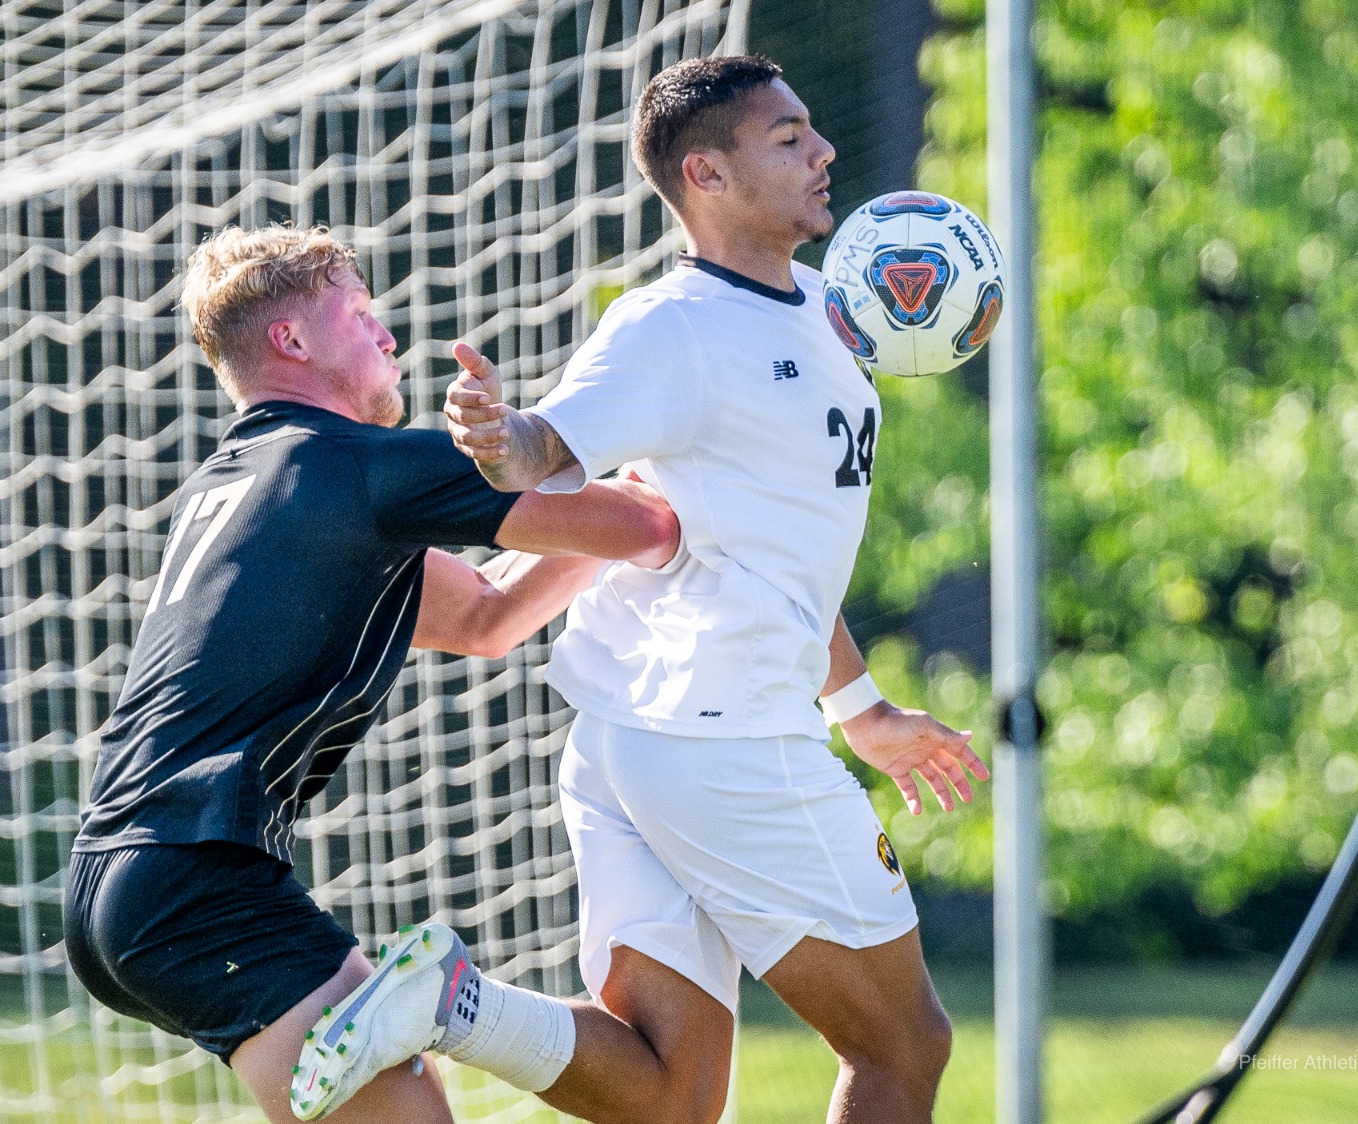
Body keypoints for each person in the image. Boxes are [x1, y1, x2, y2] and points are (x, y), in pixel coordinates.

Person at [295, 55, 989, 1124]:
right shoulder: (670, 327)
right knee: (904, 1044)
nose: (824, 150)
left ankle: (454, 1001)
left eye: (813, 129)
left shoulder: (833, 312)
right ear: (705, 175)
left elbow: (779, 554)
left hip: (630, 745)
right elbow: (543, 448)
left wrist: (863, 711)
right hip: (729, 751)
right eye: (787, 136)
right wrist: (497, 435)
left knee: (670, 1095)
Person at [63, 224, 685, 1124]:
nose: (390, 335)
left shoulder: (244, 480)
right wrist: (679, 458)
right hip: (198, 875)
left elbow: (482, 616)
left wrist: (618, 504)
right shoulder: (358, 466)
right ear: (292, 341)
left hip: (115, 881)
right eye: (361, 315)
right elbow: (651, 532)